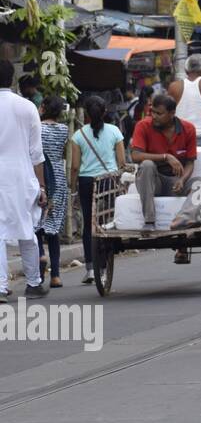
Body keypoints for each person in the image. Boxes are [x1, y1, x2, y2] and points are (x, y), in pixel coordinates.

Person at [0, 59, 48, 302]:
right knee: (27, 231)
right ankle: (33, 283)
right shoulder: (27, 107)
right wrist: (41, 186)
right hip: (21, 176)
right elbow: (36, 153)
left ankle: (0, 287)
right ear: (12, 78)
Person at [69, 95, 126, 285]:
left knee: (88, 224)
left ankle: (90, 269)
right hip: (108, 181)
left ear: (86, 114)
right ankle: (105, 262)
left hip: (86, 182)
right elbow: (122, 162)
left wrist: (73, 186)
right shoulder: (115, 131)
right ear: (105, 112)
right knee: (107, 221)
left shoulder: (78, 135)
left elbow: (75, 166)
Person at [131, 93, 198, 229]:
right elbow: (135, 156)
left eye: (159, 113)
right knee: (147, 165)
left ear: (172, 113)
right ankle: (149, 221)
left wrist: (182, 180)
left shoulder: (188, 129)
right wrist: (165, 157)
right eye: (152, 112)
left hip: (175, 182)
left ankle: (185, 218)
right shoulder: (143, 125)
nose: (154, 116)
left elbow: (190, 162)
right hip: (152, 181)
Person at [36, 97, 70, 289]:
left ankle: (40, 260)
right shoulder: (64, 130)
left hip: (39, 174)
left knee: (37, 224)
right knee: (54, 227)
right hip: (58, 176)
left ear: (43, 108)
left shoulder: (37, 128)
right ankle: (56, 275)